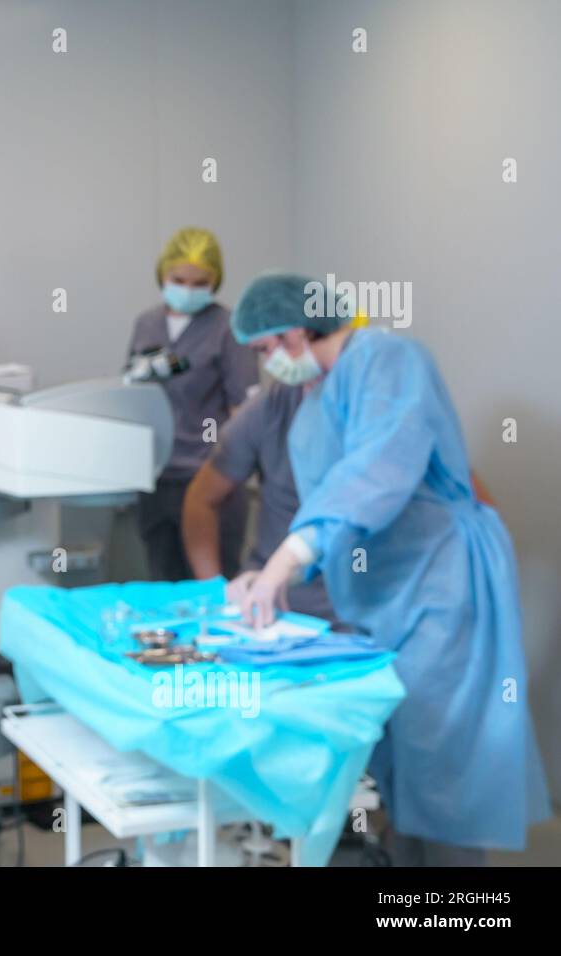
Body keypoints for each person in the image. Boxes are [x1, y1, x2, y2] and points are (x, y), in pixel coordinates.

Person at [227, 272, 550, 865]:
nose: (264, 364)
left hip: (440, 586)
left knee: (444, 761)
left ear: (292, 334)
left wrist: (288, 558)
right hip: (381, 597)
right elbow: (333, 509)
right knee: (400, 763)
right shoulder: (314, 402)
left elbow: (377, 470)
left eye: (261, 349)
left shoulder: (389, 358)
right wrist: (278, 573)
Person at [127, 227, 259, 581]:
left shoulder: (228, 328)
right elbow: (131, 397)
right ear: (162, 274)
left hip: (209, 479)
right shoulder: (147, 325)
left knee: (214, 588)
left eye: (200, 283)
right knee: (161, 583)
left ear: (215, 281)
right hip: (154, 477)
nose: (187, 290)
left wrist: (230, 470)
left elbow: (244, 414)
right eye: (179, 279)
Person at [181, 382, 335, 620]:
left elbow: (349, 510)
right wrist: (214, 591)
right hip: (267, 606)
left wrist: (287, 562)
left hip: (353, 614)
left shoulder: (378, 421)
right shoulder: (271, 408)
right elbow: (201, 498)